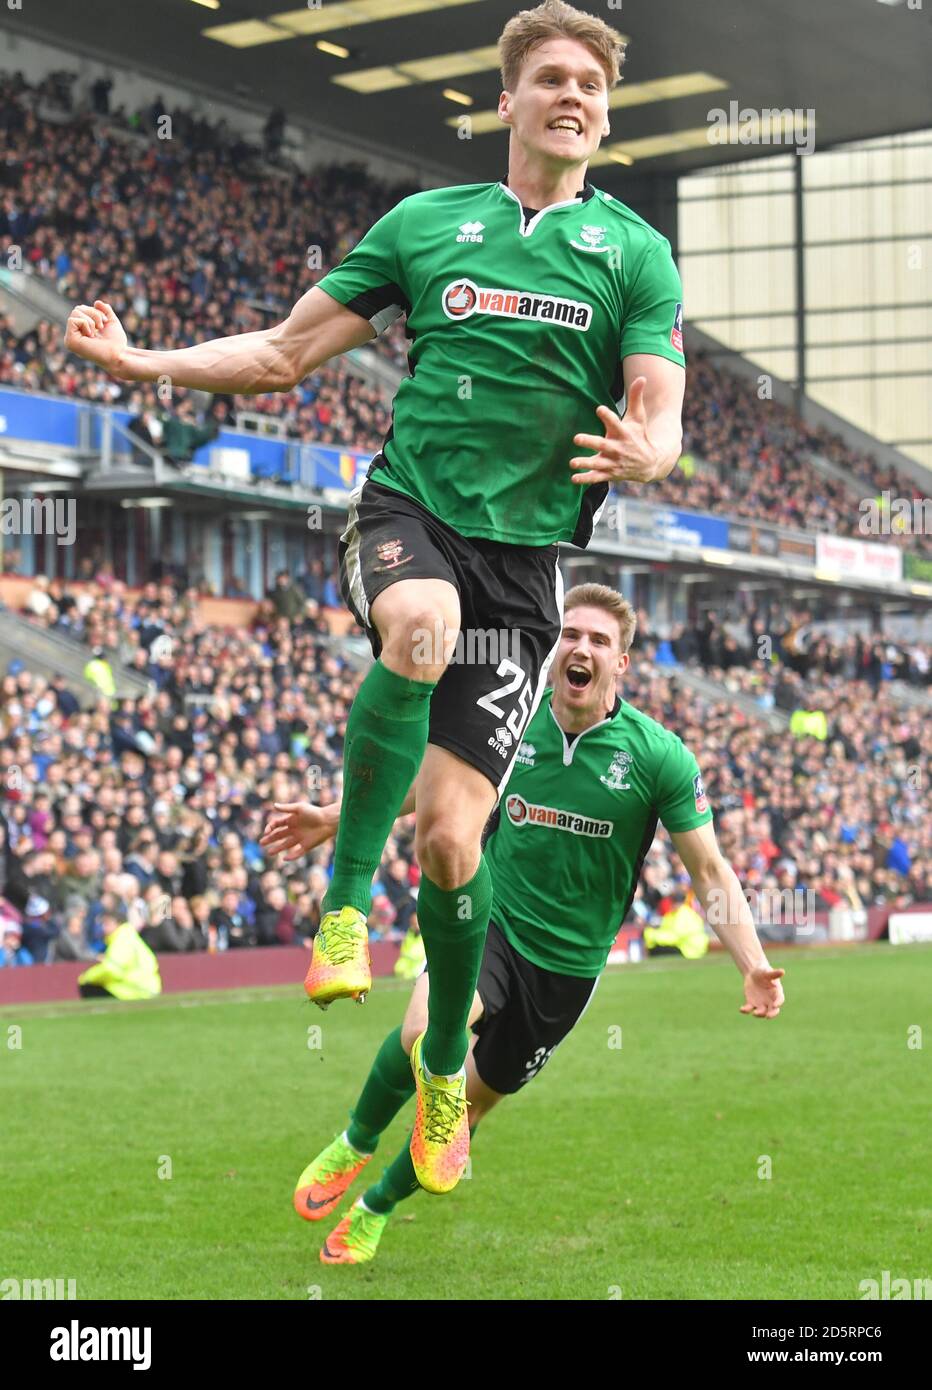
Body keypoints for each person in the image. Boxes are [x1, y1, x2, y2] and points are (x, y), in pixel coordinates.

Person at [64, 0, 686, 1194]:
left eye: (592, 88)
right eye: (551, 78)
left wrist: (651, 451)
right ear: (504, 100)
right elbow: (285, 353)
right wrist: (145, 362)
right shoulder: (426, 224)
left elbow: (654, 399)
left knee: (455, 846)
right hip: (411, 516)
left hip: (527, 566)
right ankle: (343, 908)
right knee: (416, 625)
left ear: (603, 117)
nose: (574, 98)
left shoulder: (632, 253)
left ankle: (442, 1066)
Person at [260, 585, 786, 1263]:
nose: (581, 648)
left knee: (464, 1113)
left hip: (565, 972)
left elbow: (710, 872)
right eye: (570, 634)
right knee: (424, 1034)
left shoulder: (658, 758)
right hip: (492, 923)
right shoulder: (514, 724)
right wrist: (335, 817)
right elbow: (431, 787)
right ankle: (355, 1141)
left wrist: (751, 962)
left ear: (621, 664)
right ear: (551, 647)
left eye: (599, 641)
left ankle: (376, 1208)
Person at [77, 908, 162, 1000]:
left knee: (87, 986)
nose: (103, 928)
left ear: (118, 924)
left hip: (136, 989)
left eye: (107, 924)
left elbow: (112, 970)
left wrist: (86, 976)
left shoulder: (122, 941)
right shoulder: (130, 936)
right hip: (146, 988)